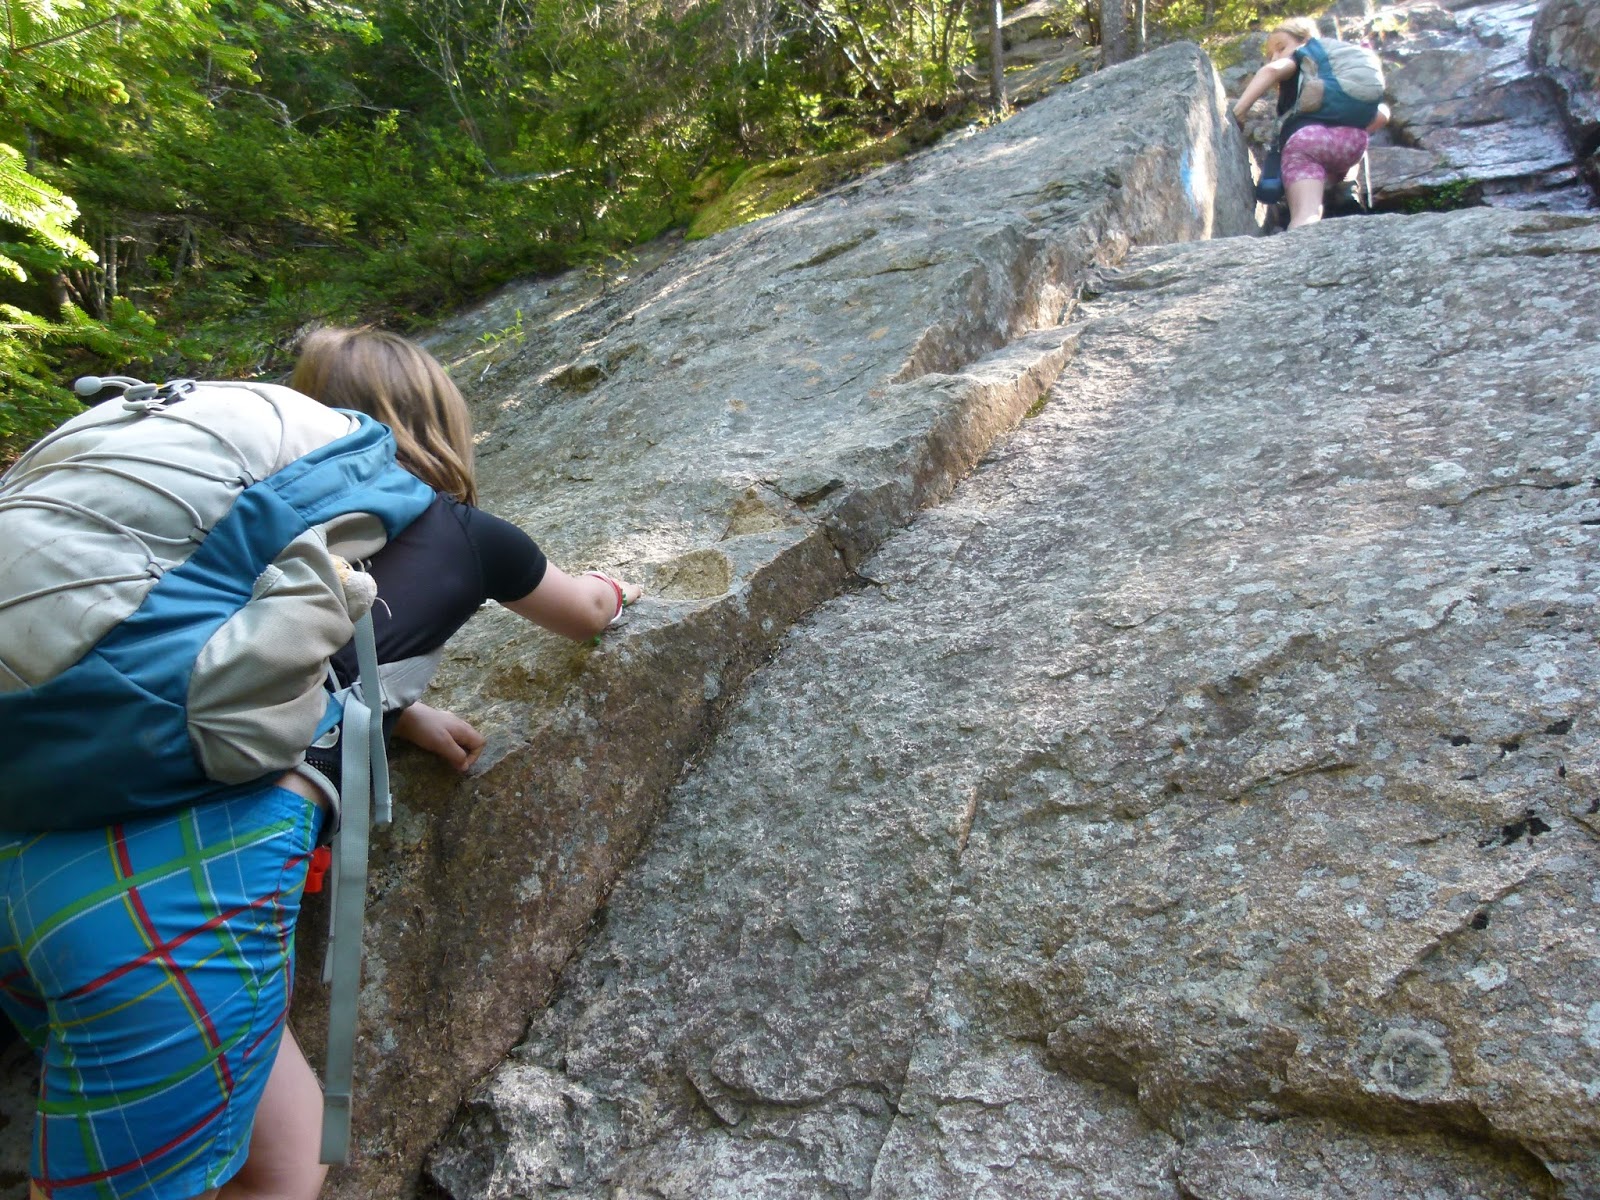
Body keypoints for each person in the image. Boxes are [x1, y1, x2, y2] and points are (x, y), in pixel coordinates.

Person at [0, 328, 641, 1200]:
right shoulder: (467, 534)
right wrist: (621, 586)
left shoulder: (223, 534)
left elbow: (285, 653)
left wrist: (401, 712)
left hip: (28, 812)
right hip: (165, 886)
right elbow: (585, 613)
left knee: (292, 1155)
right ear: (441, 421)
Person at [1232, 17, 1392, 229]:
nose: (1275, 57)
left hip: (1307, 144)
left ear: (1305, 39)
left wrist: (1238, 112)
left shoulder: (1303, 56)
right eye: (1270, 55)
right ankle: (1344, 185)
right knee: (1322, 166)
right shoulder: (1335, 74)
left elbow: (1270, 71)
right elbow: (1382, 115)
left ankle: (1297, 256)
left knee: (1307, 214)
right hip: (1352, 144)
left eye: (1281, 48)